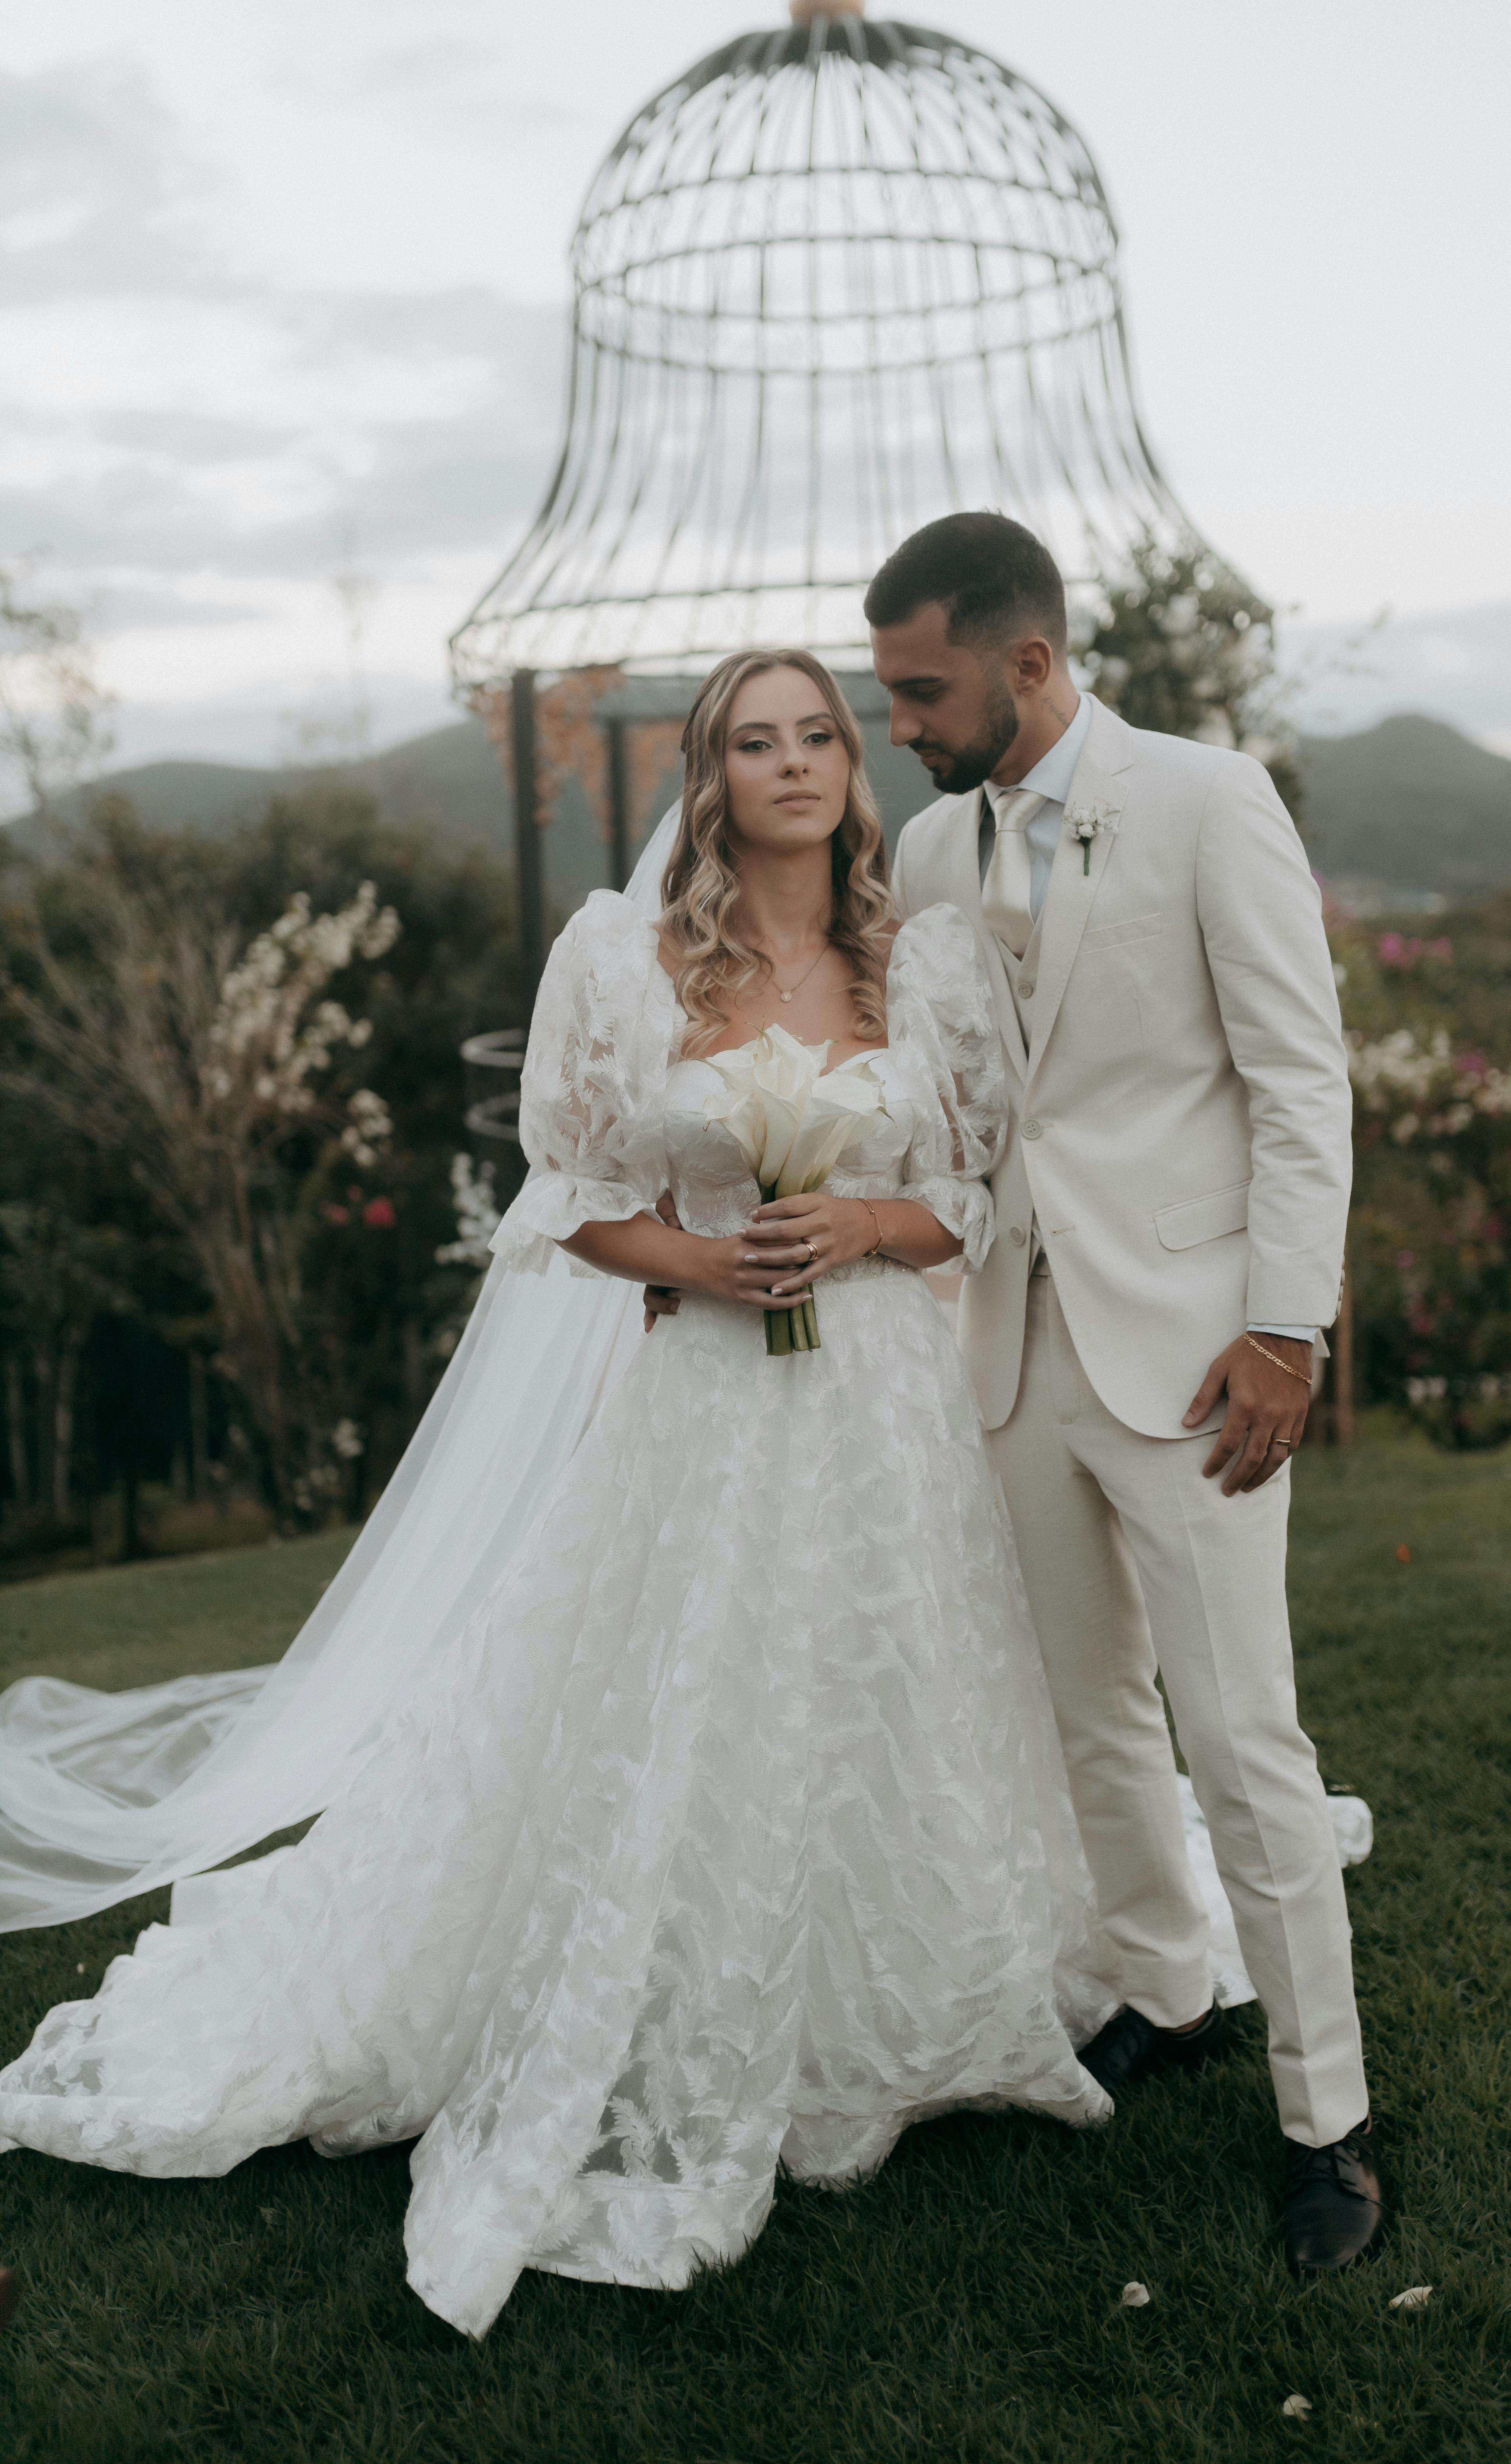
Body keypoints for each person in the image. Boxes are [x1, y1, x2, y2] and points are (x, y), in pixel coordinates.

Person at [0, 648, 1108, 2339]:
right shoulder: (628, 955)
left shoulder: (927, 960)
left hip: (882, 1401)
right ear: (710, 774)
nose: (797, 765)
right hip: (706, 1399)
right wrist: (717, 1262)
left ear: (849, 768)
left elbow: (965, 1186)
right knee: (675, 1695)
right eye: (757, 742)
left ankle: (901, 1998)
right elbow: (571, 1198)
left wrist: (867, 1228)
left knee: (883, 1682)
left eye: (820, 736)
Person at [869, 512, 1384, 2274]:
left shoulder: (1201, 798)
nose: (898, 725)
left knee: (1243, 1741)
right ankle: (1168, 1992)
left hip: (1193, 1355)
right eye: (885, 693)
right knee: (1085, 1716)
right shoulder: (931, 856)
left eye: (920, 689)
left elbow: (1296, 1082)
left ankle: (1328, 2124)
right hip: (1008, 1345)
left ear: (1027, 662)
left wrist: (1285, 1330)